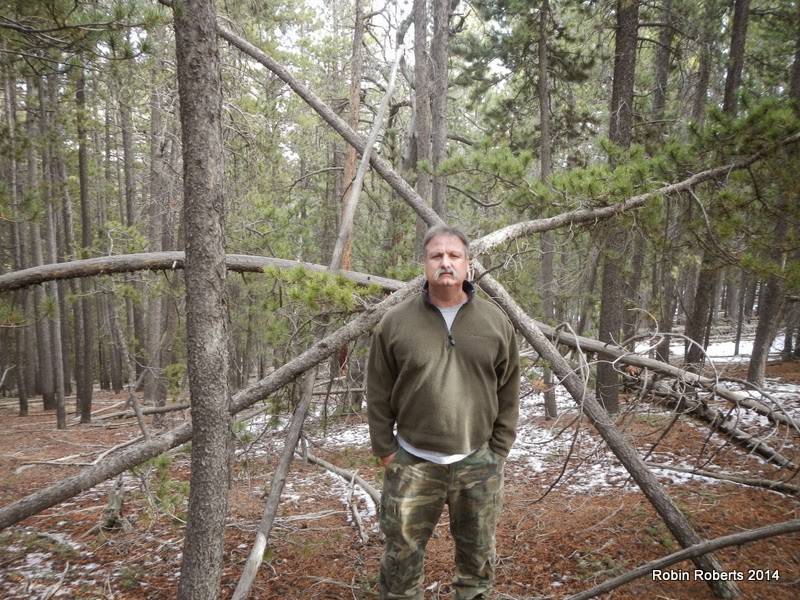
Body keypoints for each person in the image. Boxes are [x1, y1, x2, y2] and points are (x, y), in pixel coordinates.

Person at [367, 224, 520, 600]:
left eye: (454, 256)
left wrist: (498, 450)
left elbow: (509, 389)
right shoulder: (395, 322)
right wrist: (387, 450)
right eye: (437, 256)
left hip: (478, 462)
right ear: (424, 264)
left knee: (477, 559)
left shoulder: (495, 322)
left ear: (468, 265)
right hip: (413, 461)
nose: (445, 263)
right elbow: (378, 392)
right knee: (401, 559)